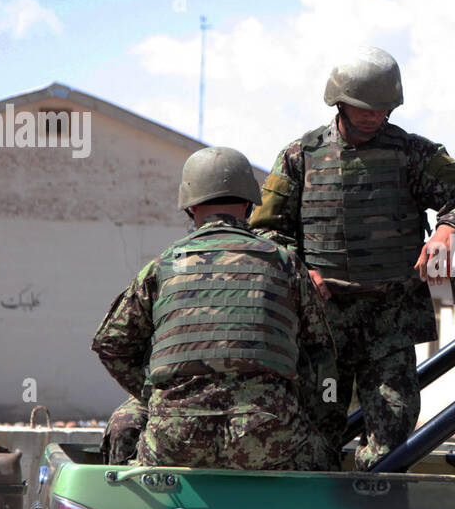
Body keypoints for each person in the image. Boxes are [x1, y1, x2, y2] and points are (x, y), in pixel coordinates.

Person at [251, 47, 455, 470]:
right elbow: (264, 231)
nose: (373, 117)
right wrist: (301, 271)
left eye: (383, 109)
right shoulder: (300, 157)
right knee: (316, 434)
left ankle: (374, 501)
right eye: (364, 108)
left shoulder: (412, 154)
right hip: (323, 325)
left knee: (391, 436)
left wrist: (448, 228)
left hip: (390, 321)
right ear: (339, 102)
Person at [92, 146, 337, 471]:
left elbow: (110, 343)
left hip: (177, 440)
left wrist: (152, 391)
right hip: (267, 440)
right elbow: (321, 352)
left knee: (124, 423)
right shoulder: (285, 264)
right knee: (326, 451)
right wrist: (294, 399)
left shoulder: (163, 266)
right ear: (249, 205)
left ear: (190, 206)